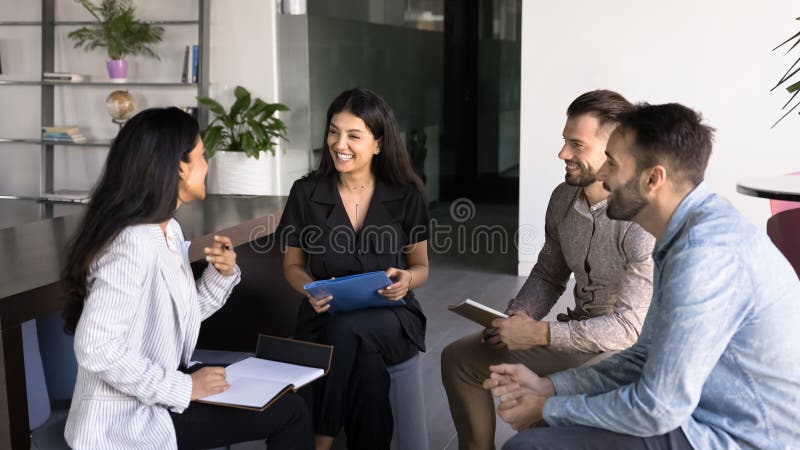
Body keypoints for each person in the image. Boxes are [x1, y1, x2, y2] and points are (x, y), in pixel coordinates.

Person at [486, 103, 800, 450]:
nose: (603, 175)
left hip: (739, 437)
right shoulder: (684, 233)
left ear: (653, 179)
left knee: (528, 447)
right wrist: (549, 388)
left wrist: (548, 407)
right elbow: (642, 357)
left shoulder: (705, 254)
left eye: (614, 164)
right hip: (698, 415)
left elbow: (658, 408)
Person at [62, 107, 313, 450]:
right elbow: (96, 347)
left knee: (285, 397)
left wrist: (220, 276)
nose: (208, 165)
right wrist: (186, 389)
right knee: (290, 412)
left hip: (159, 395)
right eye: (202, 156)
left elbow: (175, 319)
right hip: (126, 422)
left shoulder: (166, 230)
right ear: (180, 168)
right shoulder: (131, 245)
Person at [440, 90, 655, 450]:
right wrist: (516, 316)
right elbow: (547, 274)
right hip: (575, 333)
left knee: (553, 406)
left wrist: (538, 334)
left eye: (577, 145)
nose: (563, 154)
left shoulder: (642, 221)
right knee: (459, 358)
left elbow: (627, 330)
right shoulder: (562, 199)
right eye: (564, 141)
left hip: (626, 351)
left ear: (617, 151)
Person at [277, 88, 430, 450]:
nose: (339, 143)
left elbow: (420, 267)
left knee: (348, 331)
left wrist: (406, 280)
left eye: (353, 135)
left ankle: (322, 439)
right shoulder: (306, 192)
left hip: (393, 316)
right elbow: (293, 266)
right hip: (324, 314)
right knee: (366, 366)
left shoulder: (406, 194)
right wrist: (309, 290)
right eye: (333, 131)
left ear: (378, 144)